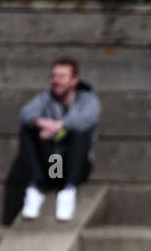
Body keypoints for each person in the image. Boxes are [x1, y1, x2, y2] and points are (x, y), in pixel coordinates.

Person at [11, 57, 101, 222]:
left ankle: (68, 191)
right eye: (53, 76)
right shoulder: (45, 98)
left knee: (79, 130)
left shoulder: (88, 99)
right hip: (54, 167)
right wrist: (39, 122)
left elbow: (87, 118)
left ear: (74, 80)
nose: (56, 81)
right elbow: (25, 113)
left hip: (74, 167)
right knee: (28, 128)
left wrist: (59, 127)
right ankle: (33, 189)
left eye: (61, 76)